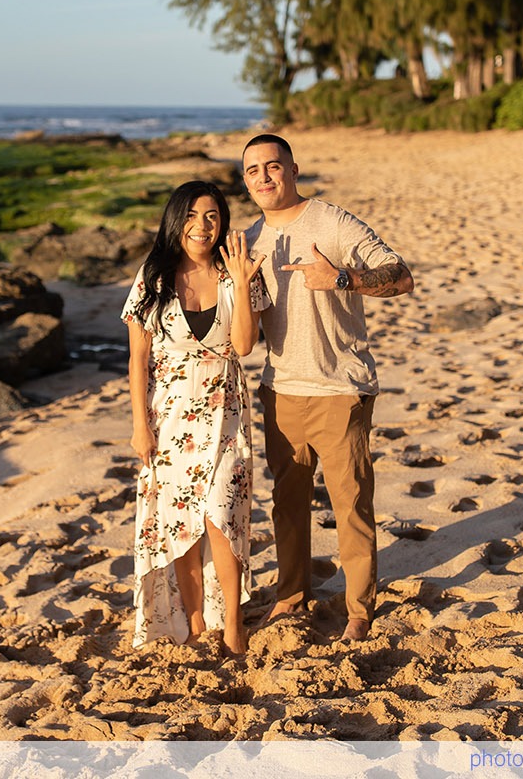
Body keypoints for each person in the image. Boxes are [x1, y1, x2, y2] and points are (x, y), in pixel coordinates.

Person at [240, 133, 413, 642]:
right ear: (246, 181)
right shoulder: (249, 240)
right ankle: (291, 596)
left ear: (293, 170)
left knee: (350, 502)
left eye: (273, 167)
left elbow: (402, 277)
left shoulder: (332, 221)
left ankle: (359, 608)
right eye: (253, 171)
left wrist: (342, 280)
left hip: (341, 387)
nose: (264, 178)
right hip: (279, 391)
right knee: (287, 503)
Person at [123, 179, 269, 655]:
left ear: (222, 223)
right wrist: (139, 426)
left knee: (223, 518)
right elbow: (138, 359)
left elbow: (244, 346)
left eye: (211, 216)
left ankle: (233, 619)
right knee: (181, 523)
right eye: (191, 216)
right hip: (169, 419)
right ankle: (194, 622)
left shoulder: (236, 274)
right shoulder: (154, 275)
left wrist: (243, 285)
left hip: (226, 412)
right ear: (175, 221)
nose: (202, 227)